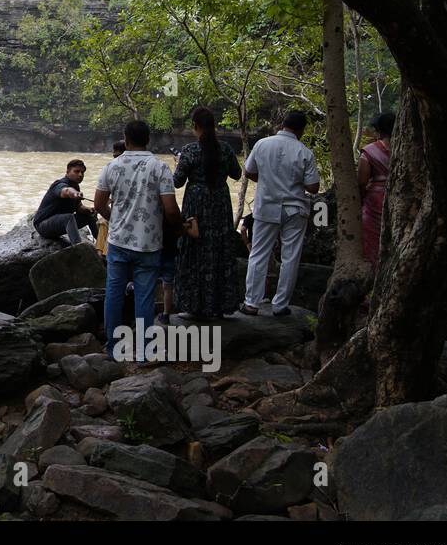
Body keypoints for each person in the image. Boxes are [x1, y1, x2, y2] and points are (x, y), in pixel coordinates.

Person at [93, 120, 182, 357]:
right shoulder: (159, 167)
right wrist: (180, 230)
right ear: (148, 139)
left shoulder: (112, 167)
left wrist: (114, 219)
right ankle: (144, 351)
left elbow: (99, 204)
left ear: (126, 138)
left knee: (114, 294)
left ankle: (113, 348)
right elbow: (171, 210)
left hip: (118, 241)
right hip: (149, 243)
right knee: (145, 296)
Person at [240, 111, 320, 316]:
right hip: (295, 209)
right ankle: (280, 305)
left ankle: (251, 303)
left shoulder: (262, 144)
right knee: (290, 257)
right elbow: (313, 187)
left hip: (267, 206)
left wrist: (267, 179)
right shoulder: (305, 152)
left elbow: (248, 171)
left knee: (258, 253)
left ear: (282, 124)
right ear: (301, 130)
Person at [172, 106, 243, 319]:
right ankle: (220, 306)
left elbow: (177, 182)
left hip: (196, 205)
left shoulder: (190, 151)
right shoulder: (226, 149)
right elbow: (237, 174)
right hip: (220, 204)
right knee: (220, 250)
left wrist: (177, 164)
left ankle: (196, 306)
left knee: (195, 251)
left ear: (195, 126)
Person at [357, 112, 394, 266]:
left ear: (377, 130)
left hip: (375, 202)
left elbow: (361, 181)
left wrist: (360, 200)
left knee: (372, 239)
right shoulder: (408, 147)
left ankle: (375, 270)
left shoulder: (369, 151)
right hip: (401, 198)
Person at [34, 159, 98, 246]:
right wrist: (75, 193)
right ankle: (78, 247)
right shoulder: (59, 184)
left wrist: (88, 209)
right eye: (76, 171)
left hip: (58, 225)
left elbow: (79, 208)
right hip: (42, 225)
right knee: (68, 217)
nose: (80, 175)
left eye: (82, 172)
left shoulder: (76, 186)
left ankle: (102, 245)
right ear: (67, 172)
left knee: (89, 216)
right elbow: (67, 191)